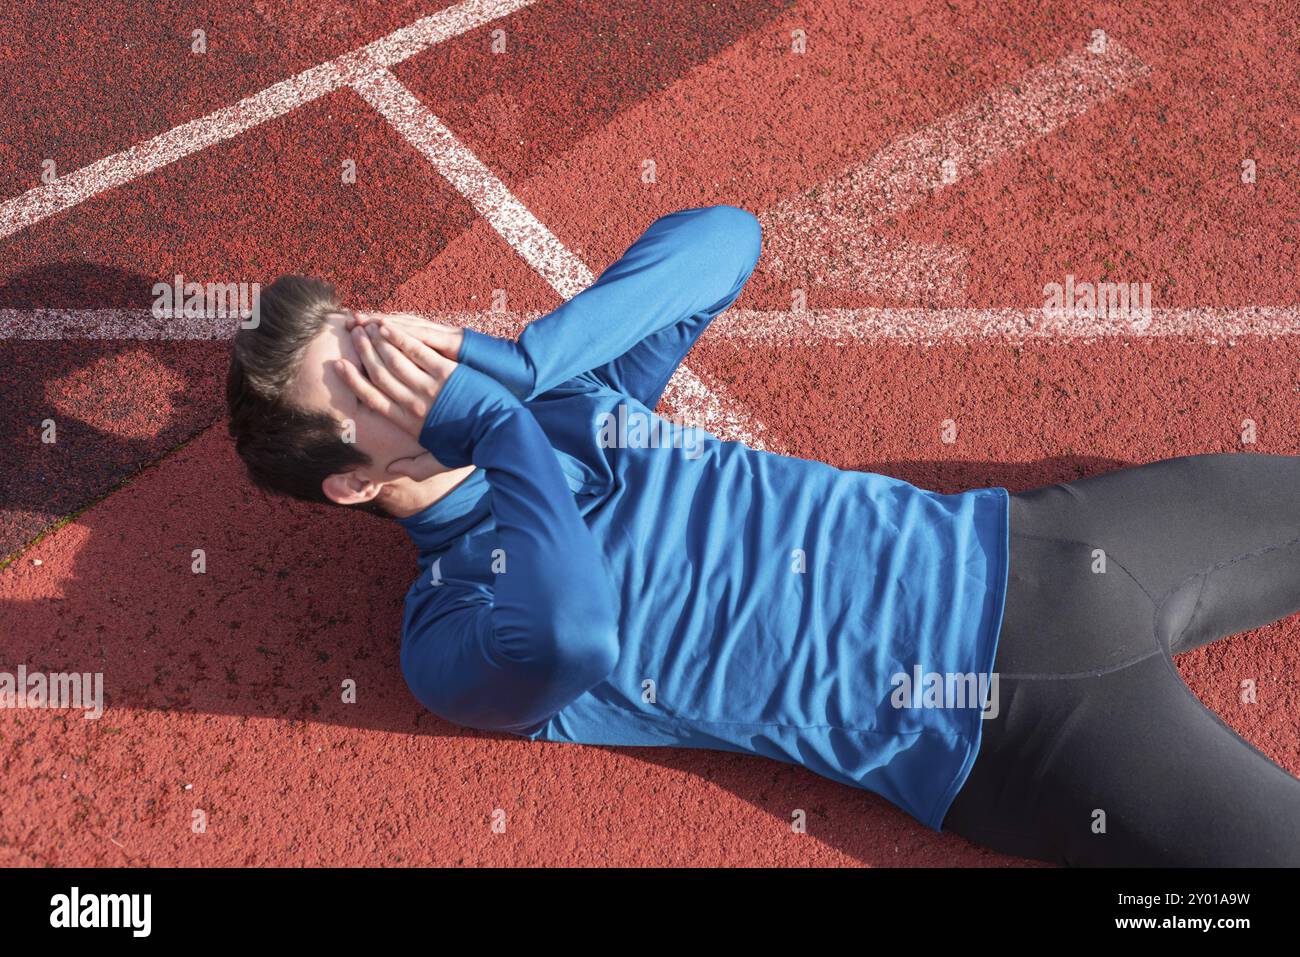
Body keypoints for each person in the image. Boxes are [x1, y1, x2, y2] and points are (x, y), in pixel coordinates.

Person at [226, 204, 1300, 867]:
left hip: (1036, 544)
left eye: (373, 332)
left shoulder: (556, 397)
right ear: (355, 486)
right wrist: (499, 425)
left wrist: (525, 362)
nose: (403, 359)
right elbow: (571, 636)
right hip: (1016, 729)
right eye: (365, 378)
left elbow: (722, 239)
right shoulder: (450, 628)